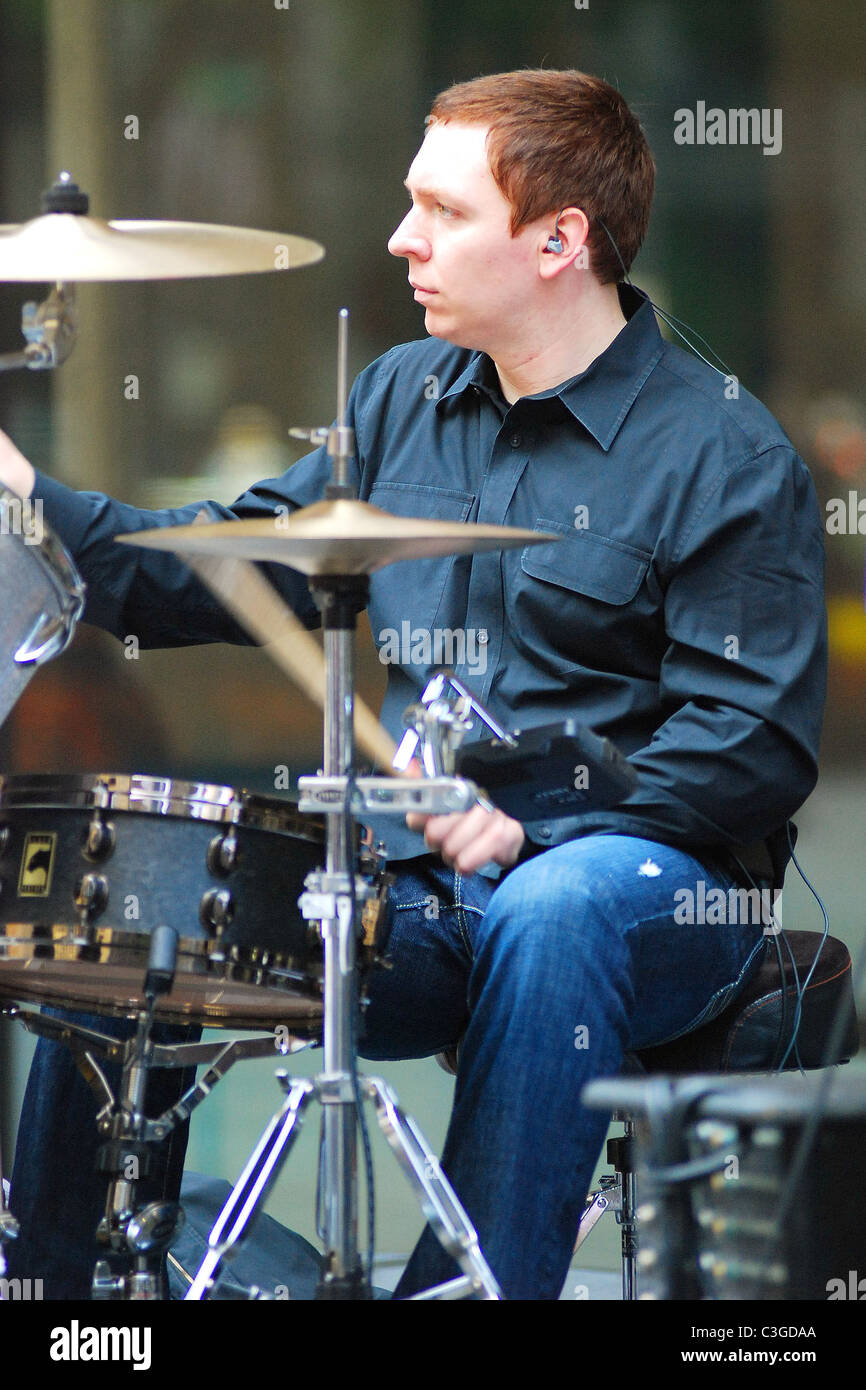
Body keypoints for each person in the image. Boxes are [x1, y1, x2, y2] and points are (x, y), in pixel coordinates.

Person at [0, 68, 826, 1300]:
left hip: (654, 894)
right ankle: (64, 1300)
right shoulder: (401, 398)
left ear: (560, 240)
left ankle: (468, 1295)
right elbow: (220, 569)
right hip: (415, 893)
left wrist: (540, 820)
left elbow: (749, 746)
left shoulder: (721, 451)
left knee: (556, 903)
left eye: (439, 211)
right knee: (157, 885)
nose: (401, 240)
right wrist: (27, 494)